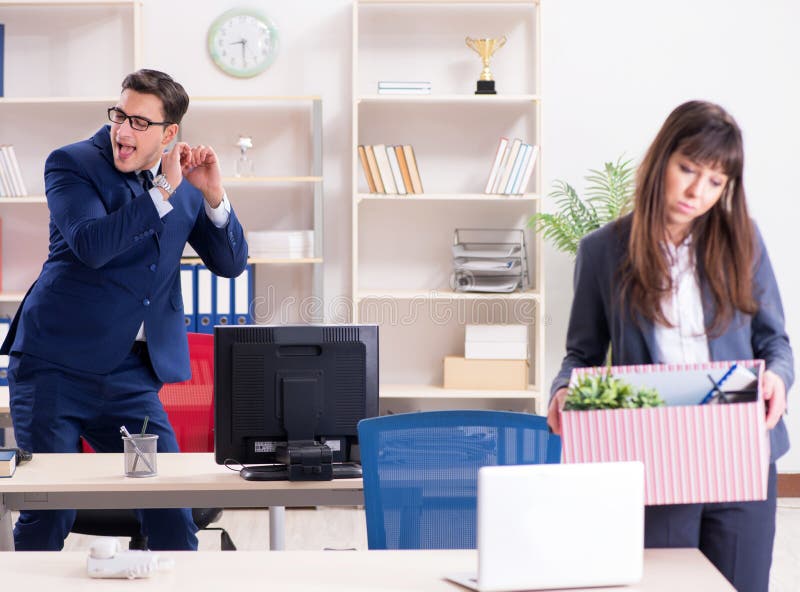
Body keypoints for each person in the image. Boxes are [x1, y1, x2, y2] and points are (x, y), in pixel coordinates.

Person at [547, 100, 792, 592]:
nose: (697, 191)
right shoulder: (602, 251)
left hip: (739, 448)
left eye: (715, 181)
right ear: (662, 158)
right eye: (688, 169)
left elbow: (775, 341)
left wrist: (778, 378)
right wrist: (561, 390)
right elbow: (582, 354)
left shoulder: (743, 239)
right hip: (654, 454)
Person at [0, 69, 249, 550]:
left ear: (169, 133)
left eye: (139, 122)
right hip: (54, 365)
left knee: (170, 508)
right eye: (119, 115)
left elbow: (230, 263)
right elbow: (93, 245)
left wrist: (213, 196)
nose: (122, 131)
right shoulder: (72, 164)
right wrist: (163, 192)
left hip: (130, 376)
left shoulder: (185, 178)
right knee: (51, 510)